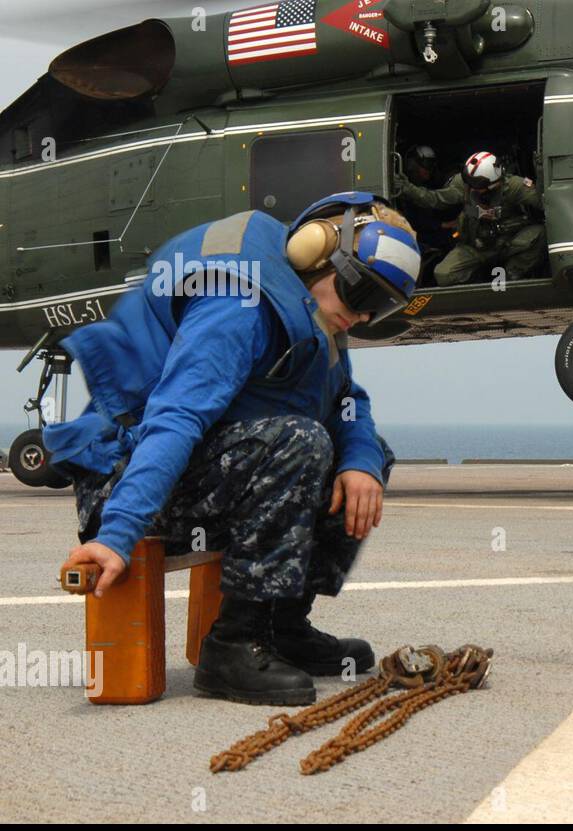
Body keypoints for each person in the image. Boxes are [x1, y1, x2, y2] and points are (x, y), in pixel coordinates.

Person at [47, 192, 423, 706]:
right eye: (360, 295)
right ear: (316, 250)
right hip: (126, 481)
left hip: (196, 472)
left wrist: (360, 463)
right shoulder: (236, 304)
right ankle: (231, 646)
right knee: (299, 442)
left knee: (363, 455)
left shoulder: (315, 308)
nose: (362, 316)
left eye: (378, 307)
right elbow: (175, 418)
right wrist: (116, 533)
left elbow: (345, 402)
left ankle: (283, 625)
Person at [395, 150, 545, 286]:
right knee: (443, 275)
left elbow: (544, 203)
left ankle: (512, 275)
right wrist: (408, 188)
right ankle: (480, 281)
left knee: (539, 232)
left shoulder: (515, 186)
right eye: (469, 181)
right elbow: (435, 199)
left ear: (494, 183)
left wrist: (542, 176)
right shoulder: (464, 185)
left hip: (508, 243)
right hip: (475, 246)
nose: (472, 188)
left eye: (477, 184)